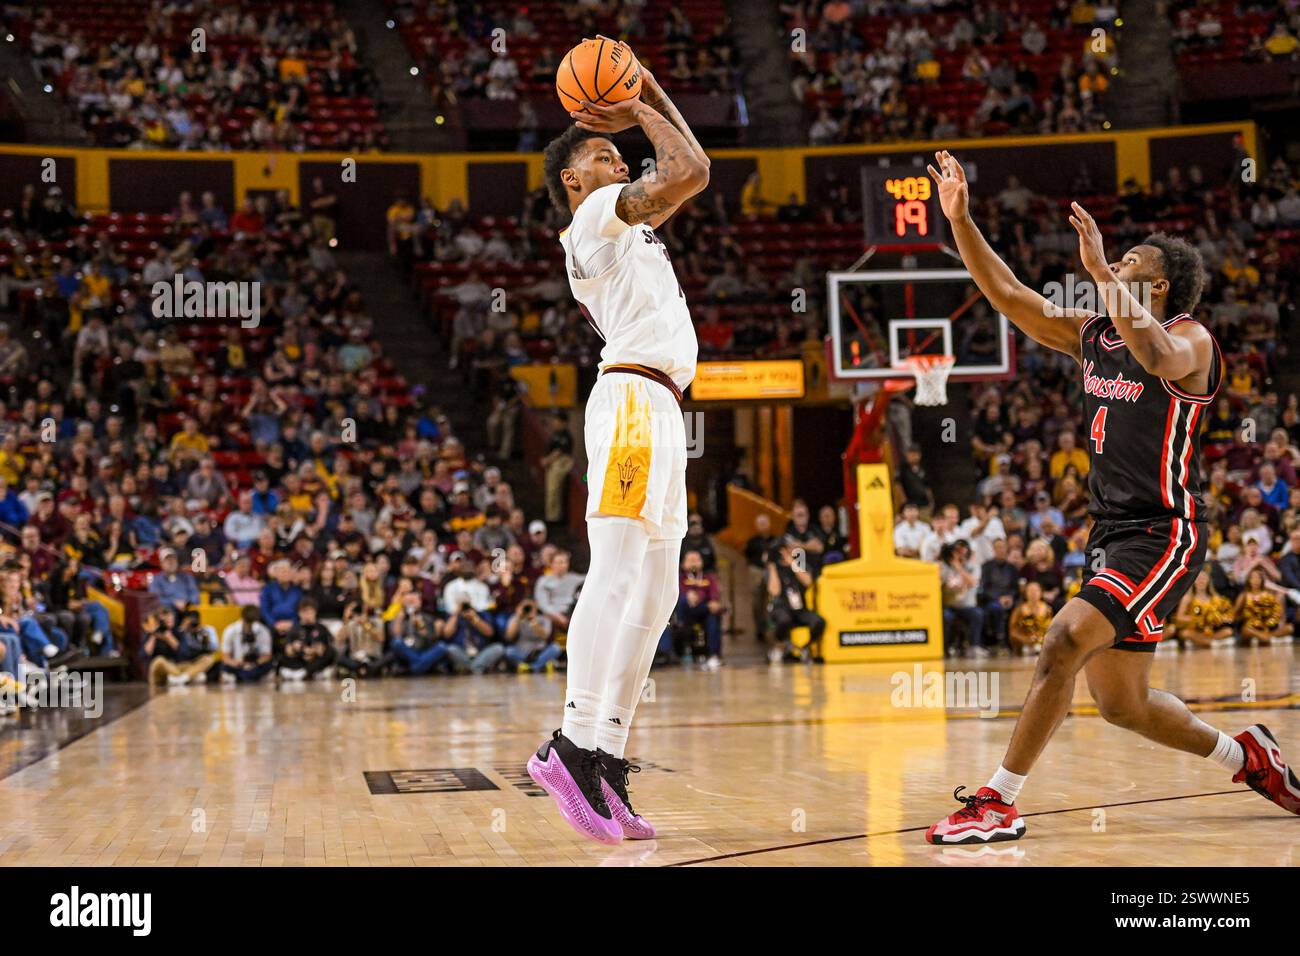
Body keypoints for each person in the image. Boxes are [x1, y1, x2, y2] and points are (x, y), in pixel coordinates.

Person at [925, 148, 1299, 845]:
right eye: (1115, 260)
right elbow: (1010, 297)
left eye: (1130, 263)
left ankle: (998, 802)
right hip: (1111, 535)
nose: (1114, 264)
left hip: (1166, 531)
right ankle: (1245, 755)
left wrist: (1100, 272)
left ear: (1157, 288)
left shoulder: (1191, 341)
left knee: (1063, 637)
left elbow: (1156, 357)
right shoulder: (1095, 336)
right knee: (1122, 705)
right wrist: (962, 221)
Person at [528, 55, 709, 845]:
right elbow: (692, 169)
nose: (617, 161)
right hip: (633, 400)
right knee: (618, 568)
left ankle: (605, 753)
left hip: (664, 409)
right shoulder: (597, 213)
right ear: (574, 181)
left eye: (614, 154)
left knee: (659, 589)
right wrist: (639, 101)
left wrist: (638, 102)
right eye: (600, 154)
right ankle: (570, 741)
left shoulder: (624, 219)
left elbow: (684, 168)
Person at [766, 535, 824, 663]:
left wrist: (792, 562)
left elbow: (808, 581)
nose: (793, 549)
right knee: (784, 620)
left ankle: (805, 648)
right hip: (781, 608)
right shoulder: (774, 568)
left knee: (818, 622)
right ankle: (780, 646)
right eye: (789, 548)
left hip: (799, 609)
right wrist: (772, 566)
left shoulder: (799, 563)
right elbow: (774, 591)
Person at [673, 549, 724, 668]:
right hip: (686, 612)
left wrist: (712, 601)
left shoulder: (709, 578)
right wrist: (688, 595)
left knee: (713, 616)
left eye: (696, 560)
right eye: (690, 560)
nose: (694, 563)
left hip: (704, 611)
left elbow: (714, 594)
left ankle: (713, 654)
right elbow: (678, 593)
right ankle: (681, 638)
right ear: (683, 564)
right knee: (683, 600)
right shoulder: (679, 578)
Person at [1170, 570, 1234, 649]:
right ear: (1193, 581)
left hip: (1210, 631)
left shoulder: (1215, 597)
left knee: (1228, 631)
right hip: (1193, 630)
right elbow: (1179, 617)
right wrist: (1198, 619)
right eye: (1198, 578)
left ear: (1208, 581)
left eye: (1203, 578)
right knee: (1185, 633)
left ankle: (1204, 642)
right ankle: (1212, 643)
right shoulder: (1188, 597)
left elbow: (1224, 613)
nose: (1201, 581)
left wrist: (1220, 618)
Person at [1233, 569, 1293, 646]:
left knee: (1290, 628)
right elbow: (1234, 614)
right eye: (1253, 578)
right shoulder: (1244, 595)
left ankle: (1265, 637)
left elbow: (1277, 613)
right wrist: (1245, 614)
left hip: (1267, 627)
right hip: (1251, 627)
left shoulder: (1268, 594)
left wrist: (1269, 614)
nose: (1256, 580)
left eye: (1258, 578)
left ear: (1262, 580)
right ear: (1248, 580)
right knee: (1246, 630)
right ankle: (1269, 638)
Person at [1008, 580, 1052, 655]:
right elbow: (1013, 631)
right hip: (1024, 643)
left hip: (1042, 643)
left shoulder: (1047, 609)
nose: (1033, 593)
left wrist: (1042, 639)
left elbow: (1050, 628)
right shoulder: (1019, 610)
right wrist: (1026, 639)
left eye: (1036, 590)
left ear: (1041, 593)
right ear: (1025, 593)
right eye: (1030, 590)